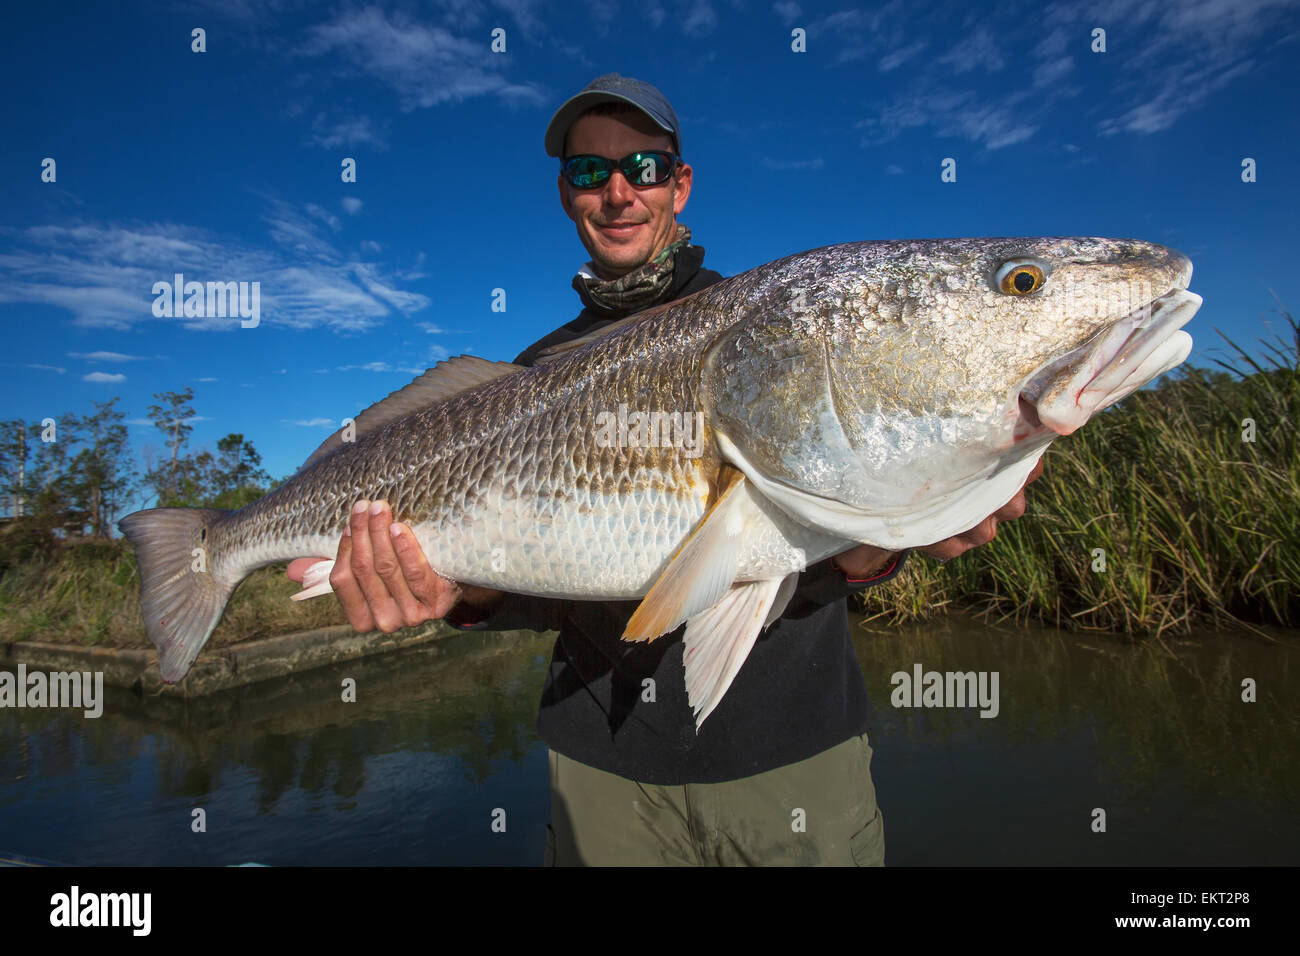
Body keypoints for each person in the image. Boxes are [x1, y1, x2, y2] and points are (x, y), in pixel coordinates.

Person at [288, 74, 1040, 866]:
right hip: (604, 768)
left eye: (642, 167)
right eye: (589, 172)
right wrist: (457, 591)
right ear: (566, 195)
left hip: (794, 758)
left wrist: (882, 544)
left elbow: (837, 532)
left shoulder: (771, 321)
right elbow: (539, 588)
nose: (617, 192)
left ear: (678, 185)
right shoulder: (532, 374)